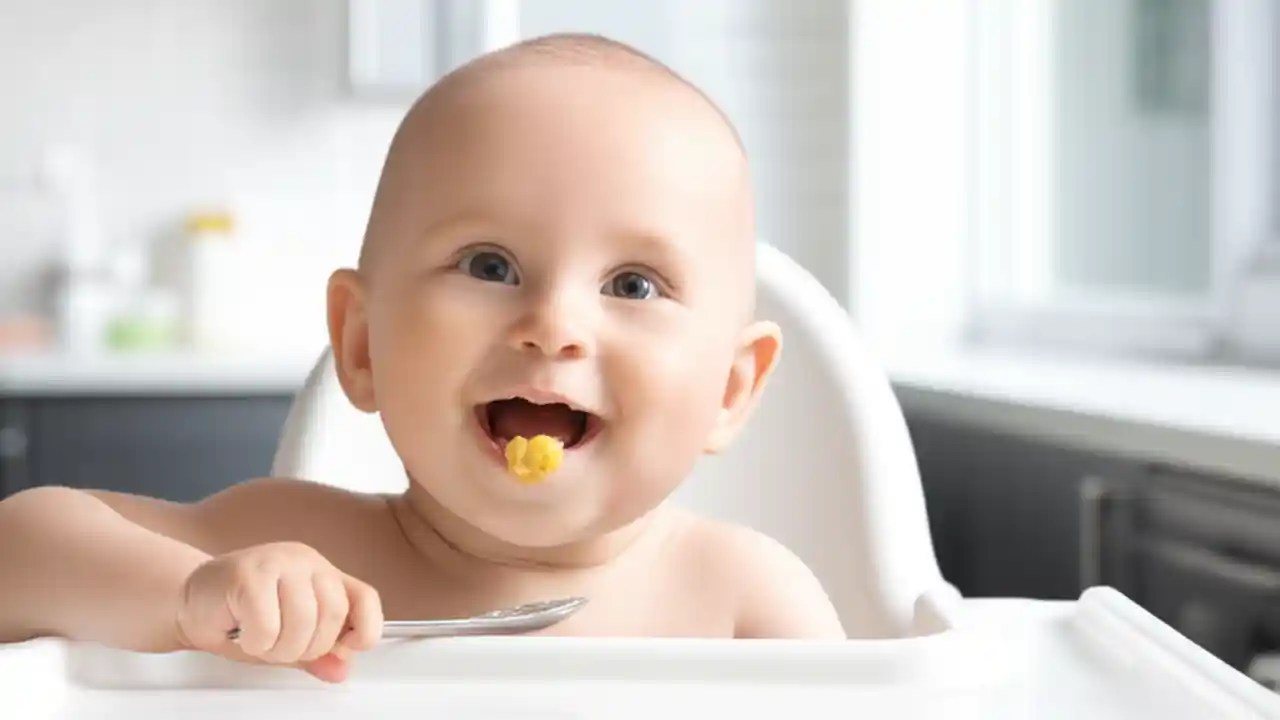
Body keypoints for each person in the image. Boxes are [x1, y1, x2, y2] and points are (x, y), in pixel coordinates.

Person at [0, 33, 845, 685]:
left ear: (730, 390)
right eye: (490, 266)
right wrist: (189, 596)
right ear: (362, 344)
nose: (553, 325)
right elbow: (18, 547)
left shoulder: (746, 602)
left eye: (633, 284)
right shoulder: (297, 548)